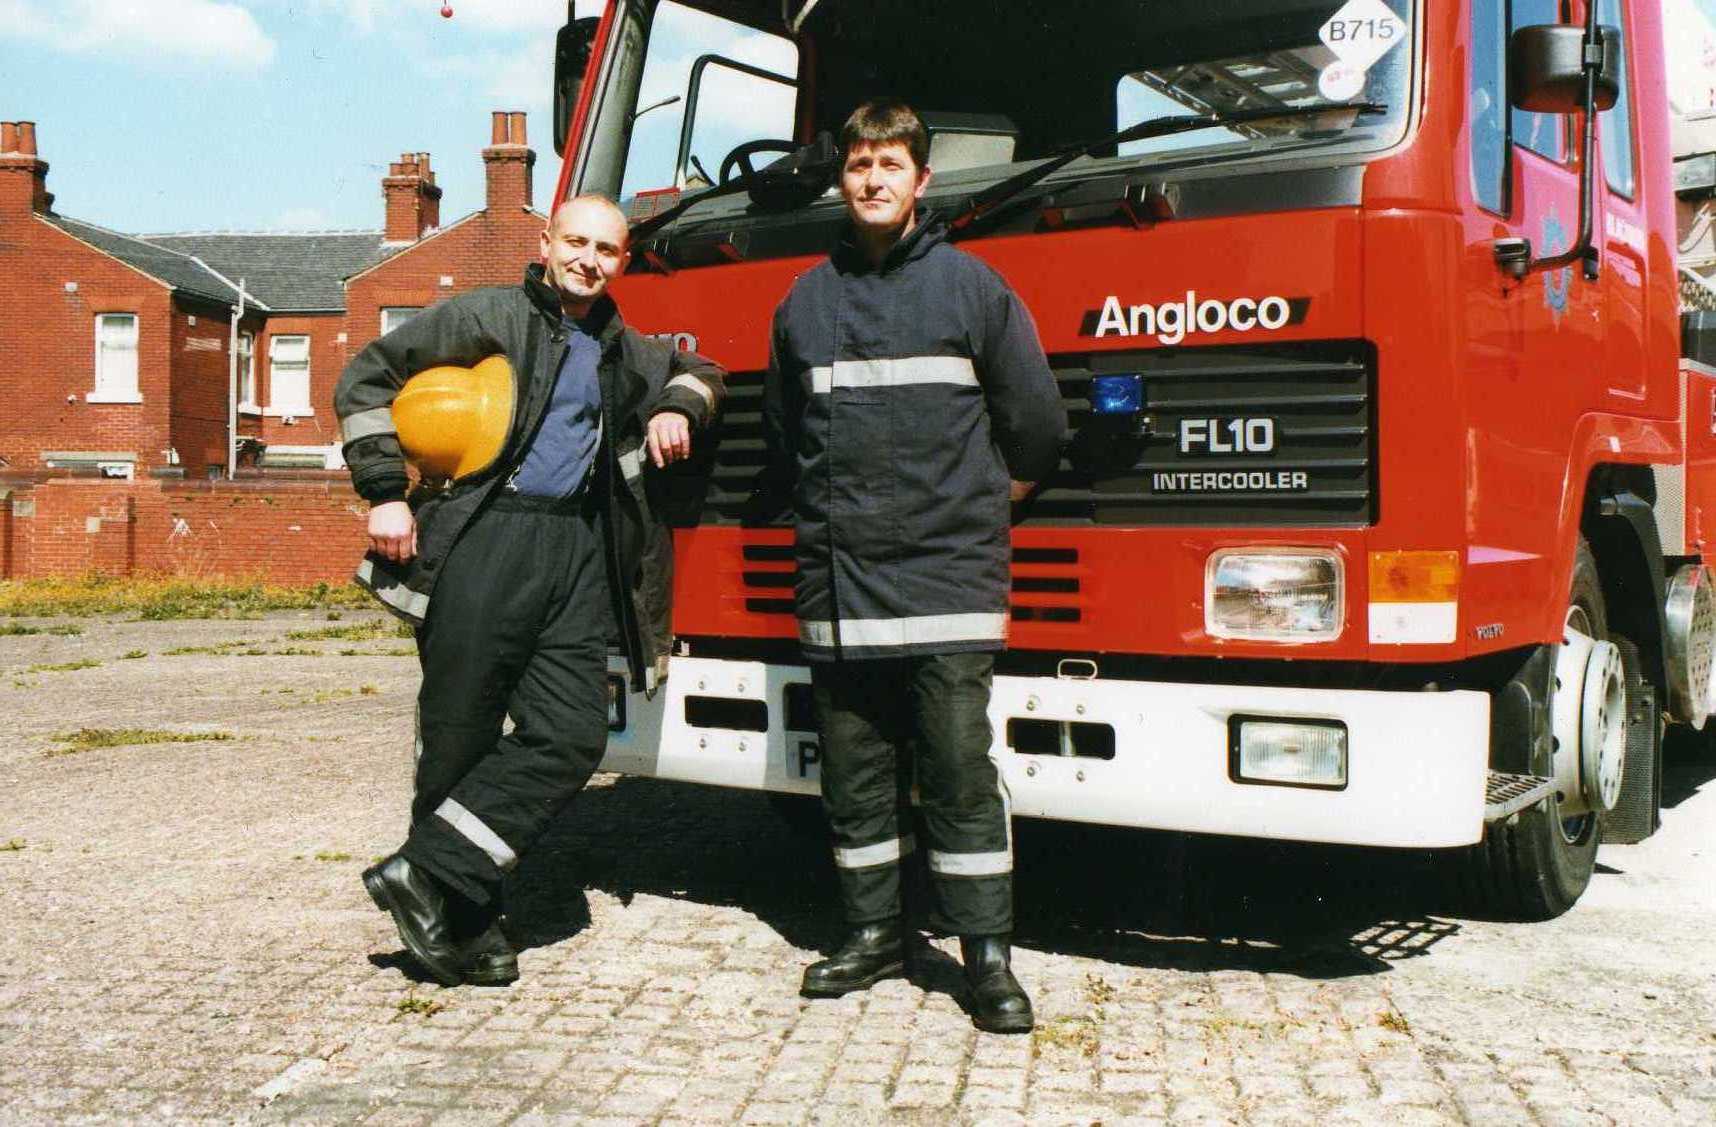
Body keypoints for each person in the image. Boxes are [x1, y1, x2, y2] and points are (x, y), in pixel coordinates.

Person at [334, 195, 725, 987]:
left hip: (576, 551)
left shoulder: (622, 347)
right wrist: (384, 489)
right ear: (545, 243)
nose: (589, 258)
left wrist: (679, 404)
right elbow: (366, 375)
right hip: (488, 539)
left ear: (623, 261)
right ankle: (463, 923)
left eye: (607, 249)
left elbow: (702, 369)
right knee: (458, 739)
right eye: (575, 242)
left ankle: (424, 868)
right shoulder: (488, 315)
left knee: (575, 732)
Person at [762, 100, 1066, 1033]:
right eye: (858, 165)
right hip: (840, 586)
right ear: (840, 177)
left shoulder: (974, 290)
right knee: (852, 775)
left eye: (891, 164)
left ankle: (985, 957)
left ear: (921, 180)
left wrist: (987, 503)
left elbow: (1040, 428)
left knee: (957, 772)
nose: (873, 180)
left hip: (946, 585)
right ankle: (870, 935)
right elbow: (785, 443)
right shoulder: (805, 303)